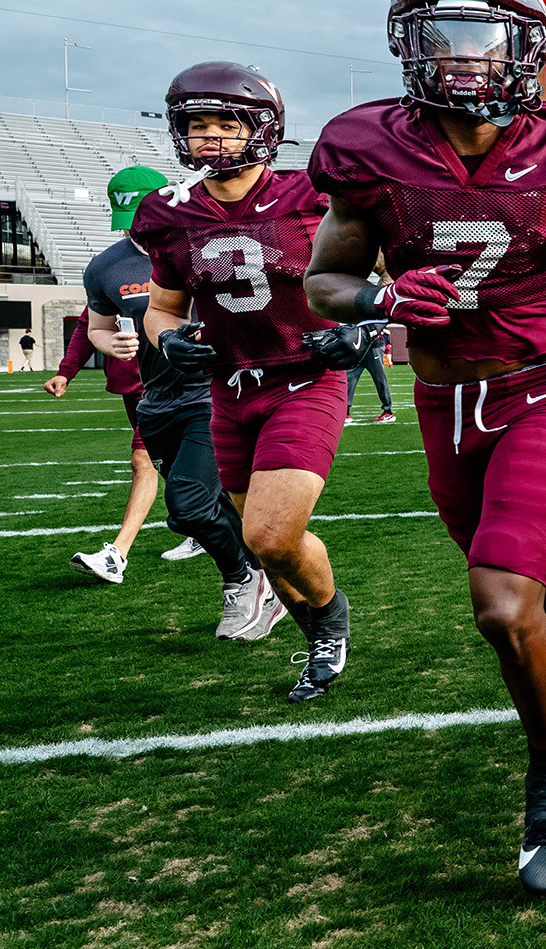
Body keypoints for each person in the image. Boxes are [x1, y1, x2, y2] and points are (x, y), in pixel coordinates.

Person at [303, 0, 546, 893]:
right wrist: (381, 296)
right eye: (441, 37)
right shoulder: (368, 147)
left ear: (527, 47)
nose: (464, 60)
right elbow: (324, 281)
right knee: (526, 593)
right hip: (442, 401)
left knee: (502, 602)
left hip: (545, 387)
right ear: (405, 46)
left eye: (484, 38)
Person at [136, 61, 351, 699]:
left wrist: (362, 326)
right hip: (227, 390)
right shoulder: (169, 211)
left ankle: (331, 621)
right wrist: (169, 339)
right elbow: (163, 308)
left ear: (261, 129)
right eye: (196, 125)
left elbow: (388, 270)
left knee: (268, 533)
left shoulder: (312, 197)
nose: (209, 139)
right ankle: (314, 628)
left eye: (224, 125)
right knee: (264, 549)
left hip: (304, 378)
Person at [81, 165, 273, 635]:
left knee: (185, 506)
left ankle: (241, 581)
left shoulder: (210, 244)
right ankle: (266, 579)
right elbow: (96, 328)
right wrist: (112, 345)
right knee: (215, 504)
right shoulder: (105, 266)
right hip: (156, 398)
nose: (136, 227)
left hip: (213, 390)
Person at [51, 303, 160, 582]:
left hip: (169, 387)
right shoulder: (111, 268)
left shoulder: (176, 265)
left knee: (143, 460)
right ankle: (210, 527)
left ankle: (117, 556)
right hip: (132, 385)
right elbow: (89, 324)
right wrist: (66, 371)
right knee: (170, 464)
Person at [344, 319, 396, 423]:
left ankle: (388, 411)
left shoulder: (372, 307)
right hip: (358, 347)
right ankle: (345, 412)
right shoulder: (356, 307)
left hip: (374, 346)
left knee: (379, 379)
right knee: (348, 379)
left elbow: (382, 323)